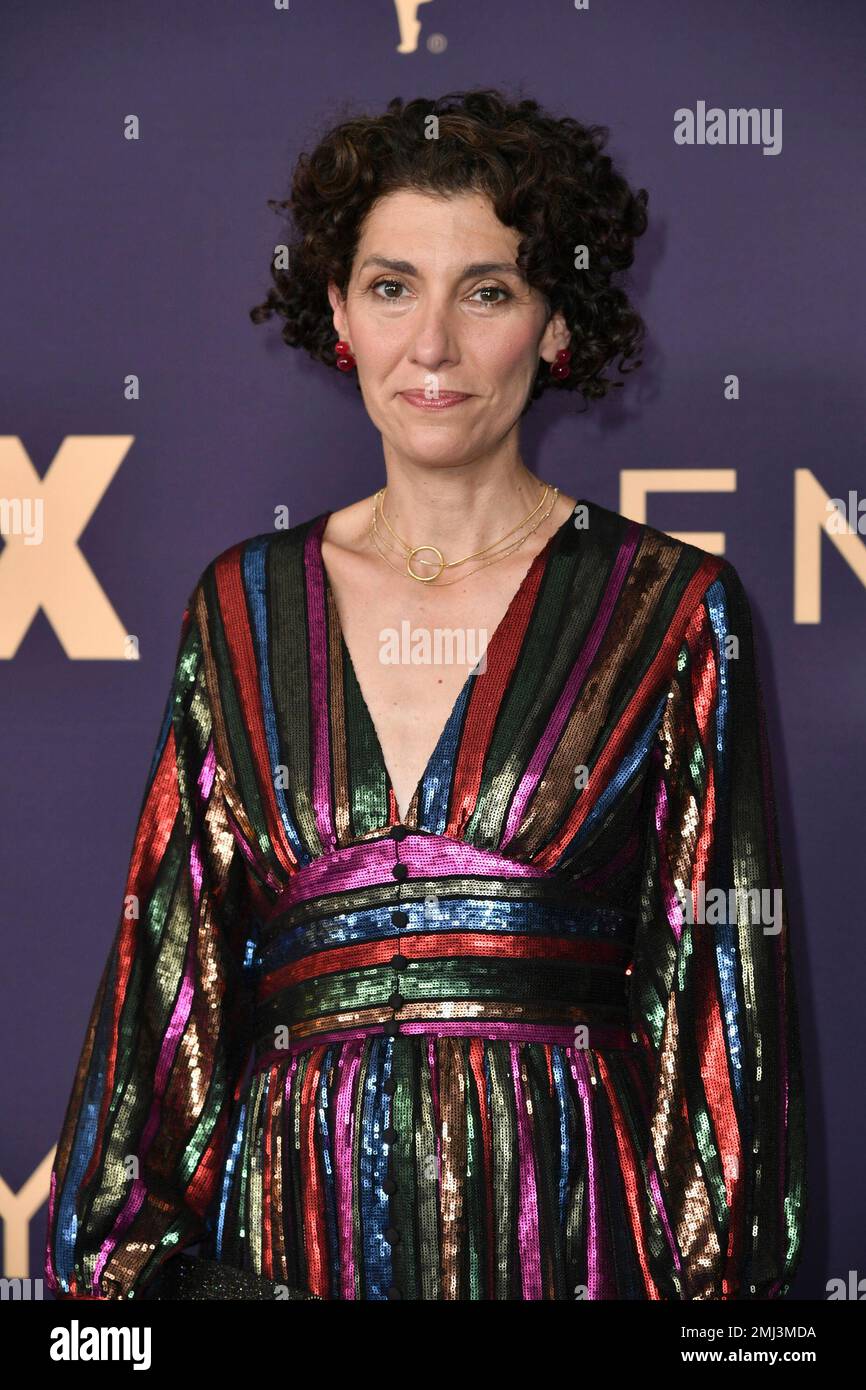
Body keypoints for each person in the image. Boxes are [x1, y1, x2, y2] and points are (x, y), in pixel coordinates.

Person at [44, 88, 806, 1301]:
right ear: (339, 312)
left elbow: (717, 1018)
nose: (433, 346)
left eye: (487, 291)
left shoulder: (668, 609)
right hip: (285, 1239)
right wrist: (144, 1284)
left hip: (571, 1236)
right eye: (393, 287)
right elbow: (165, 984)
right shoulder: (240, 608)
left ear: (556, 326)